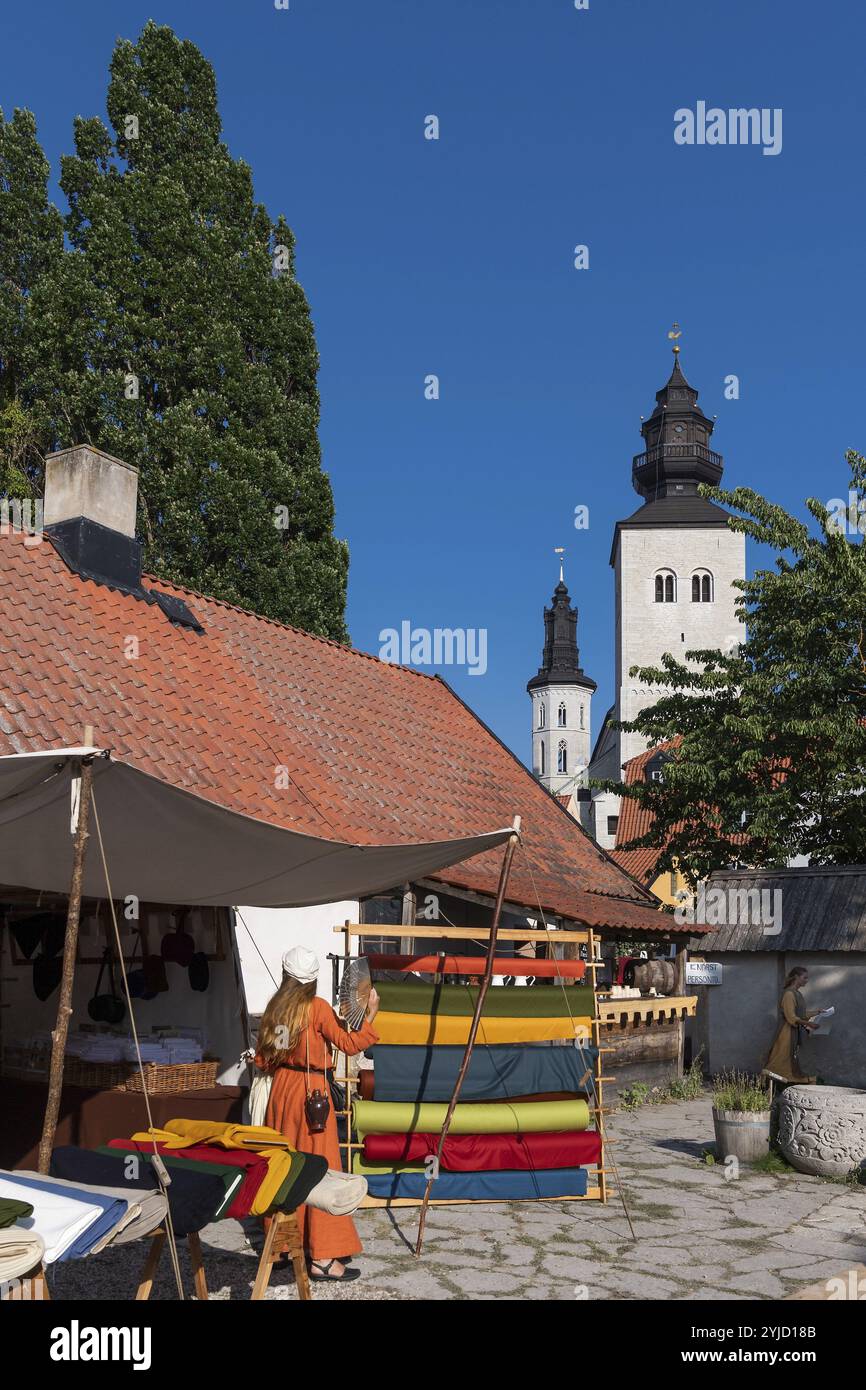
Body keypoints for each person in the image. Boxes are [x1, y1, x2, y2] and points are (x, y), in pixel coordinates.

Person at [255, 945, 379, 1281]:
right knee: (318, 1170)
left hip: (282, 1093)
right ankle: (322, 1257)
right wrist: (369, 1017)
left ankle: (280, 1246)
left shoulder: (277, 1009)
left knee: (283, 1166)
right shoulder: (318, 1008)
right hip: (312, 1098)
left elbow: (266, 1059)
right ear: (313, 980)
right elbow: (350, 1045)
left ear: (286, 975)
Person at [763, 967, 821, 1085]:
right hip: (787, 1033)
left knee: (798, 1058)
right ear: (796, 977)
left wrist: (817, 1012)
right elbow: (791, 1017)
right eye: (804, 978)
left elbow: (801, 1014)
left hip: (796, 1031)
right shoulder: (789, 994)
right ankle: (764, 1082)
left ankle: (807, 1082)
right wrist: (808, 1023)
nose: (807, 980)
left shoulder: (797, 993)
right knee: (781, 1058)